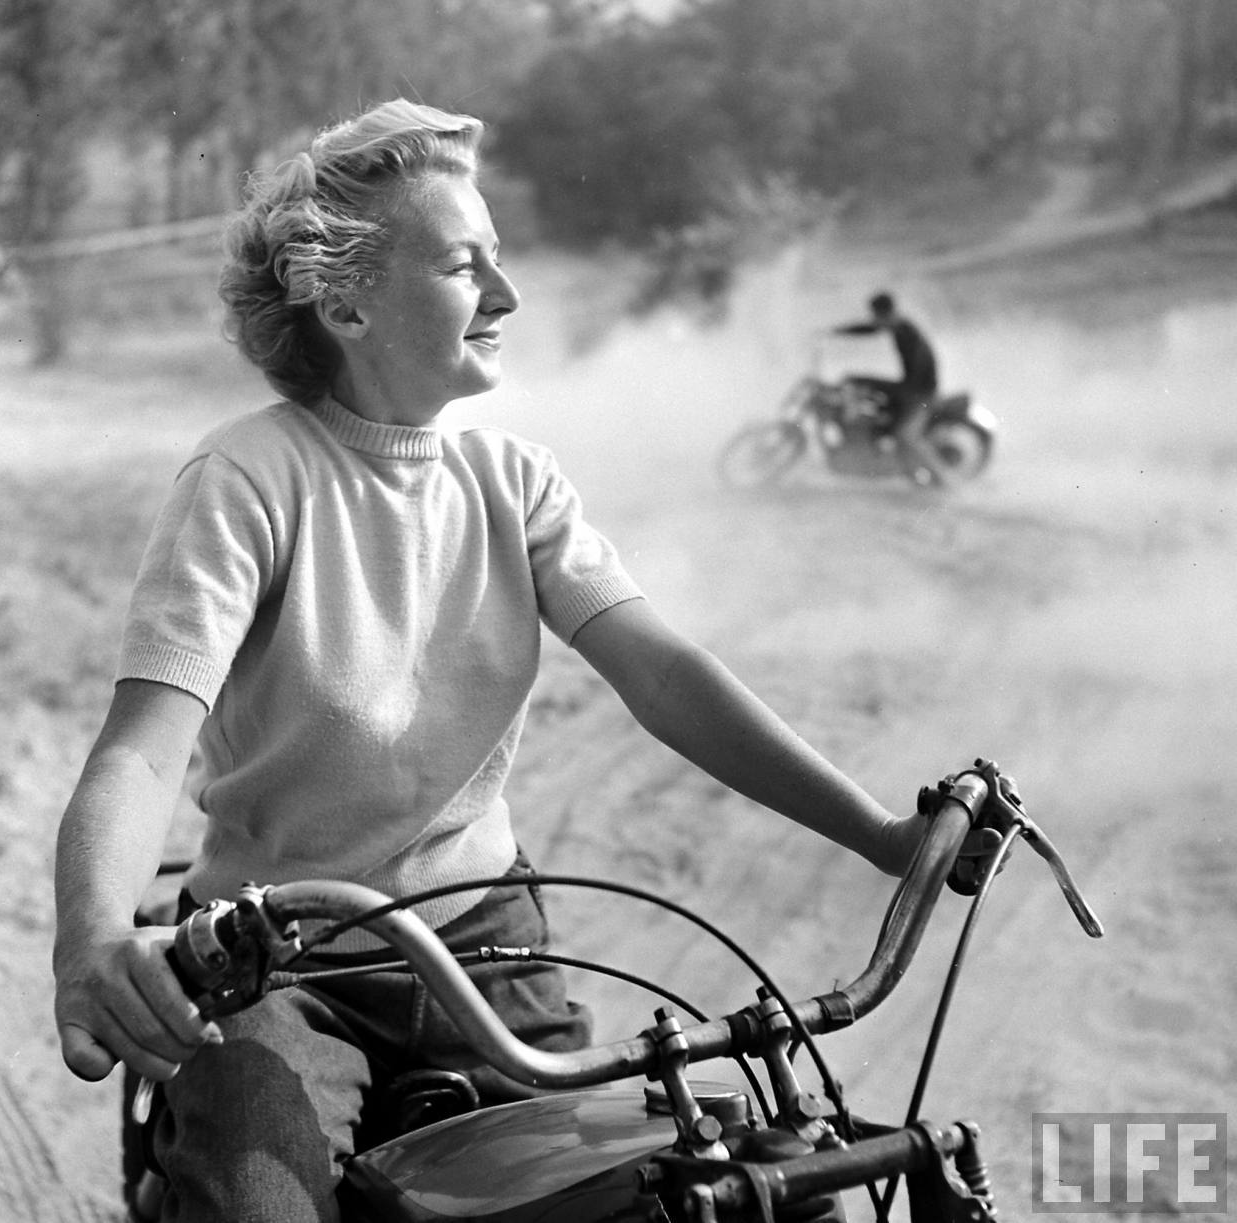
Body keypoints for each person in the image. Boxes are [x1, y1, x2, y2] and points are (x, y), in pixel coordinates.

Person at [52, 100, 991, 1223]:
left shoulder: (513, 482)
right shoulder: (248, 480)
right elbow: (143, 752)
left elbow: (663, 675)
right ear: (345, 303)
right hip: (282, 969)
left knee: (691, 1186)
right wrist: (91, 938)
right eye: (464, 266)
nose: (505, 295)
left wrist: (881, 835)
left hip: (490, 949)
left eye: (497, 259)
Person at [834, 292, 944, 484]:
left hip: (921, 395)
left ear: (888, 313)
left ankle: (944, 479)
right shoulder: (898, 328)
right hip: (912, 391)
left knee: (906, 436)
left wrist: (874, 384)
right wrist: (837, 332)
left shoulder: (909, 335)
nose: (876, 321)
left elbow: (916, 380)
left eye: (878, 316)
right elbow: (869, 329)